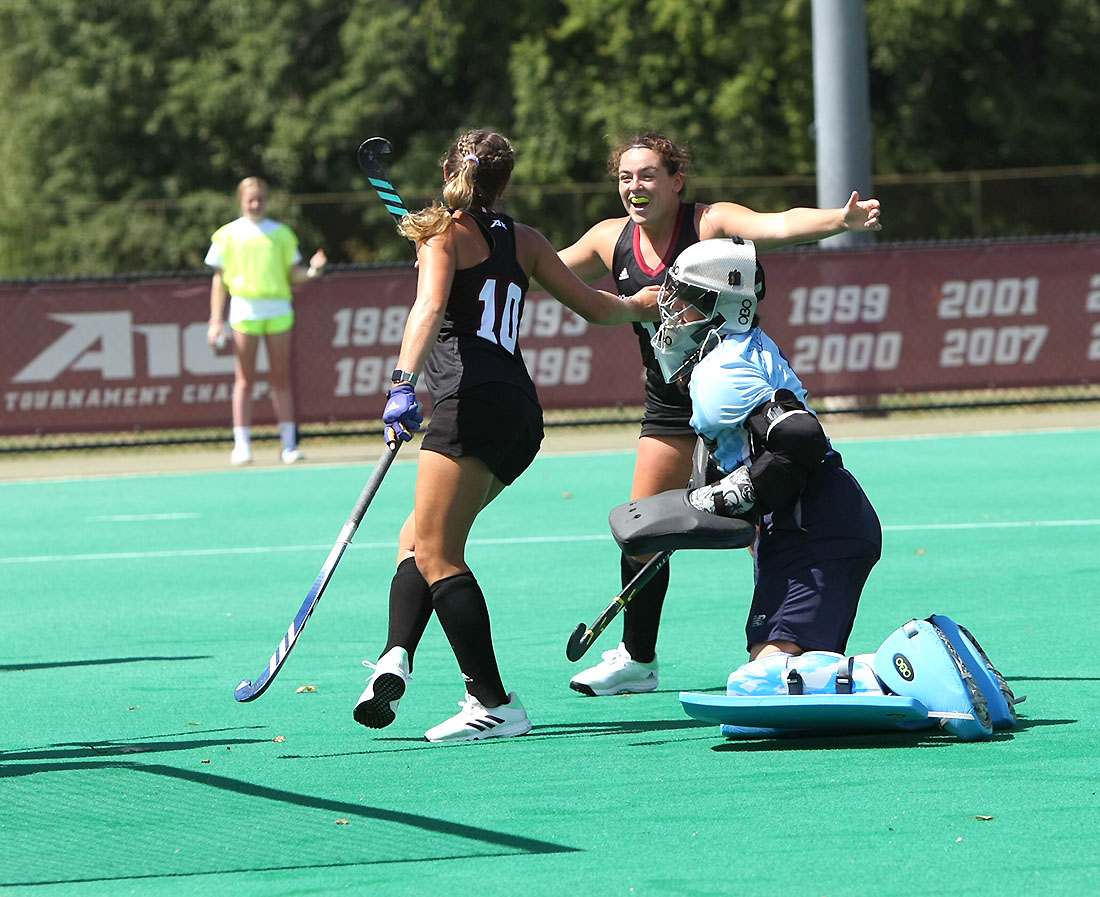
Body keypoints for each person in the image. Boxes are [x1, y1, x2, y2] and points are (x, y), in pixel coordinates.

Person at [351, 129, 660, 743]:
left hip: (471, 405)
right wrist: (646, 302)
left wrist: (400, 383)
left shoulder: (441, 234)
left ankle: (493, 702)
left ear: (448, 170)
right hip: (519, 411)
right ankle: (395, 655)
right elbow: (599, 308)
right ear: (506, 182)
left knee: (437, 553)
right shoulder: (526, 240)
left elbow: (428, 308)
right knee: (418, 539)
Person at [558, 133, 882, 696]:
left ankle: (787, 631)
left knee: (766, 517)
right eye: (626, 177)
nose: (635, 186)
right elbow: (542, 269)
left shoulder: (708, 223)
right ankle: (637, 658)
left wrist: (840, 220)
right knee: (643, 529)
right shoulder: (610, 238)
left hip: (726, 387)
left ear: (675, 180)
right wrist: (470, 257)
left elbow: (777, 225)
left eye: (648, 175)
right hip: (671, 400)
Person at [650, 236, 881, 667]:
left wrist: (739, 489)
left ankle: (912, 669)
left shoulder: (724, 368)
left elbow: (800, 437)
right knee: (774, 665)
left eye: (687, 304)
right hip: (799, 525)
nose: (676, 317)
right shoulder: (739, 348)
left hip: (813, 526)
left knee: (772, 674)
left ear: (720, 306)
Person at [205, 176, 328, 466]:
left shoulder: (282, 234)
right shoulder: (226, 235)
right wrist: (215, 319)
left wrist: (312, 271)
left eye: (260, 199)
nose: (255, 204)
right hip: (244, 312)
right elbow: (219, 281)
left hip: (278, 311)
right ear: (241, 202)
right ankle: (242, 446)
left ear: (266, 200)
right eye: (250, 199)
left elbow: (294, 274)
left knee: (280, 379)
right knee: (244, 380)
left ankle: (288, 446)